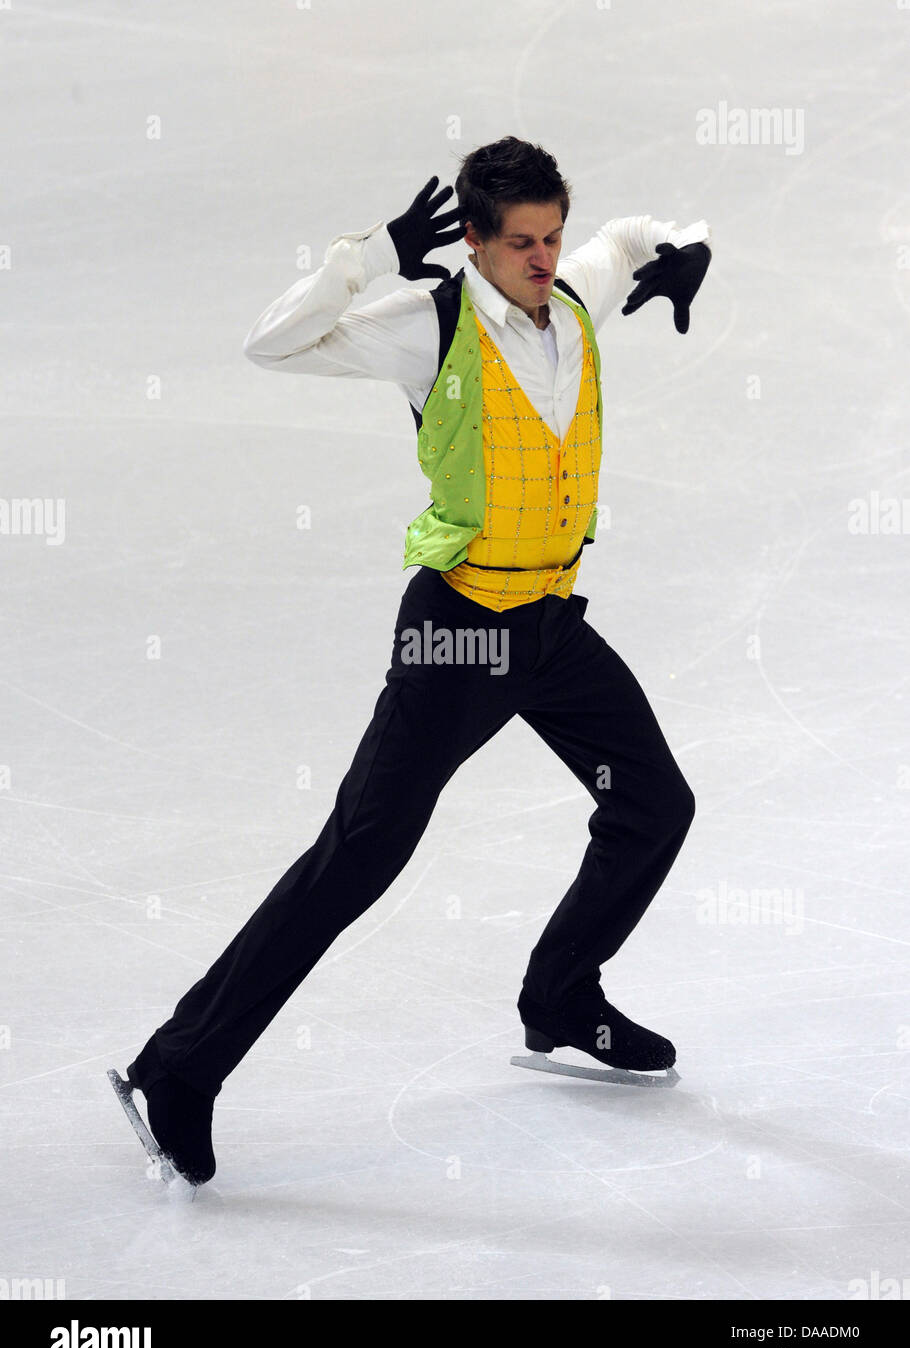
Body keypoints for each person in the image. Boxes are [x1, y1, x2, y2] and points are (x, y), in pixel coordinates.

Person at [118, 136, 712, 1185]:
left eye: (550, 236)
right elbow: (272, 343)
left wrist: (673, 249)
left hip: (549, 627)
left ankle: (562, 997)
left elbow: (625, 245)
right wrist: (364, 258)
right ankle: (178, 1068)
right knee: (359, 854)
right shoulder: (426, 325)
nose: (542, 258)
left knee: (654, 803)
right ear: (473, 242)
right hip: (460, 633)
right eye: (519, 242)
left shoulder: (568, 301)